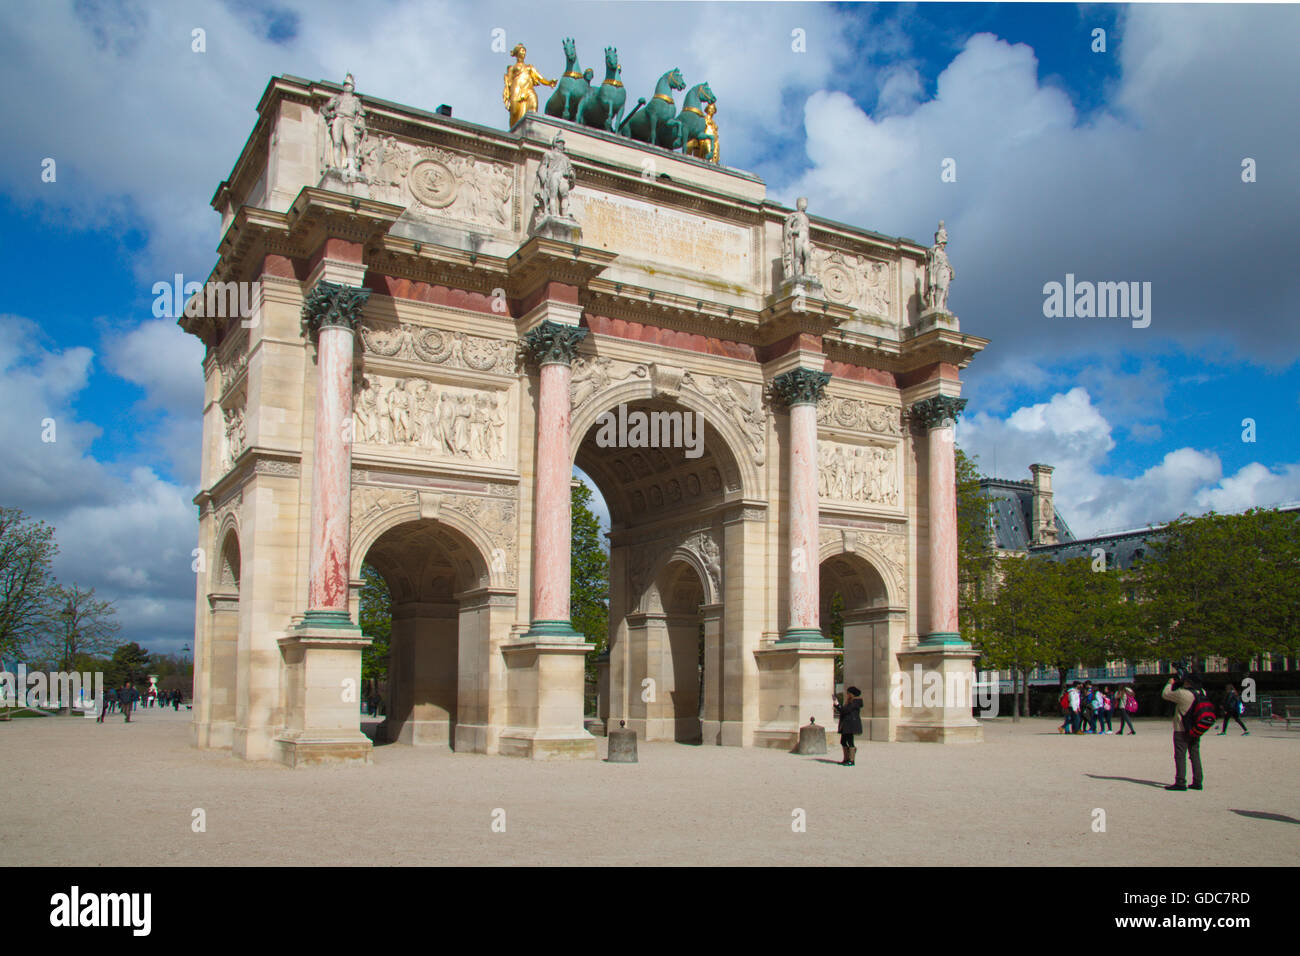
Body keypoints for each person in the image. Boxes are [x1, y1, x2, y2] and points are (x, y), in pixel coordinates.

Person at [1161, 672, 1203, 791]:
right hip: (1196, 727)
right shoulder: (1202, 692)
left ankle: (1180, 781)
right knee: (1195, 754)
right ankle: (1198, 780)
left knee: (1180, 755)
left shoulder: (1182, 693)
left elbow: (1165, 694)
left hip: (1182, 728)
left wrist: (1169, 684)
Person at [833, 686, 864, 767]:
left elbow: (845, 711)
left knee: (850, 742)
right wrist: (837, 705)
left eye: (848, 693)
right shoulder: (850, 702)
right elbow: (843, 711)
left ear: (851, 694)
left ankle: (851, 760)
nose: (846, 694)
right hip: (846, 724)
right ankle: (846, 758)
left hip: (851, 725)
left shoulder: (855, 702)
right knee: (843, 741)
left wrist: (837, 705)